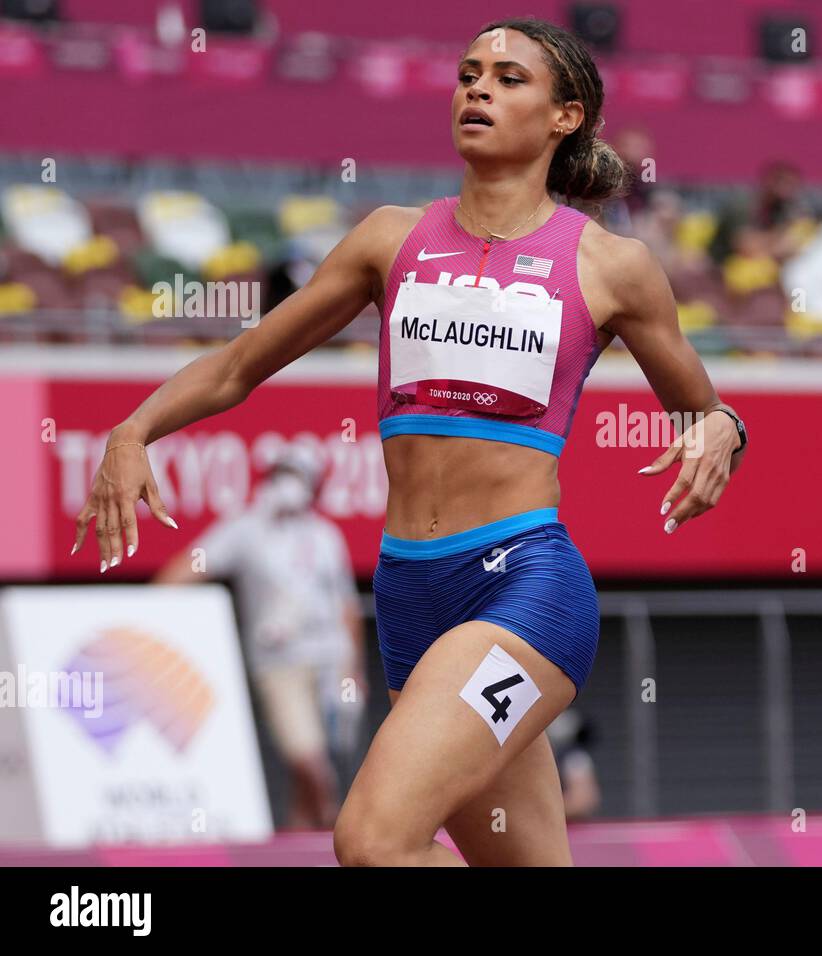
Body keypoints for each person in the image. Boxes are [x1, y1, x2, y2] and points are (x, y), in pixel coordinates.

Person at [71, 16, 747, 867]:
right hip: (409, 596)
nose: (478, 89)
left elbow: (704, 408)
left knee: (374, 842)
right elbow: (242, 362)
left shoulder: (611, 266)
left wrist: (722, 429)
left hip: (525, 589)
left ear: (564, 116)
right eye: (469, 74)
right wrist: (134, 430)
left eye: (508, 79)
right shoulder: (391, 239)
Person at [154, 446, 365, 830]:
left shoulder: (325, 535)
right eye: (284, 473)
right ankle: (337, 833)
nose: (290, 485)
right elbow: (192, 564)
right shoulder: (246, 529)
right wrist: (144, 607)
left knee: (319, 771)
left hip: (331, 660)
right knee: (309, 761)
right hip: (279, 662)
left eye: (300, 477)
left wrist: (354, 669)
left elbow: (346, 607)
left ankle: (299, 847)